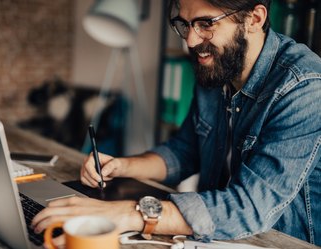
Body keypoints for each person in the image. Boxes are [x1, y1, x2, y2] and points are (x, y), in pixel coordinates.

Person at [32, 0, 321, 246]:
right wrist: (122, 166)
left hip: (276, 240)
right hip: (209, 235)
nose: (191, 41)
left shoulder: (305, 88)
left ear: (254, 19)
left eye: (206, 23)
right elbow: (186, 151)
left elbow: (250, 205)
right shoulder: (217, 69)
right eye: (184, 24)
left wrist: (130, 214)